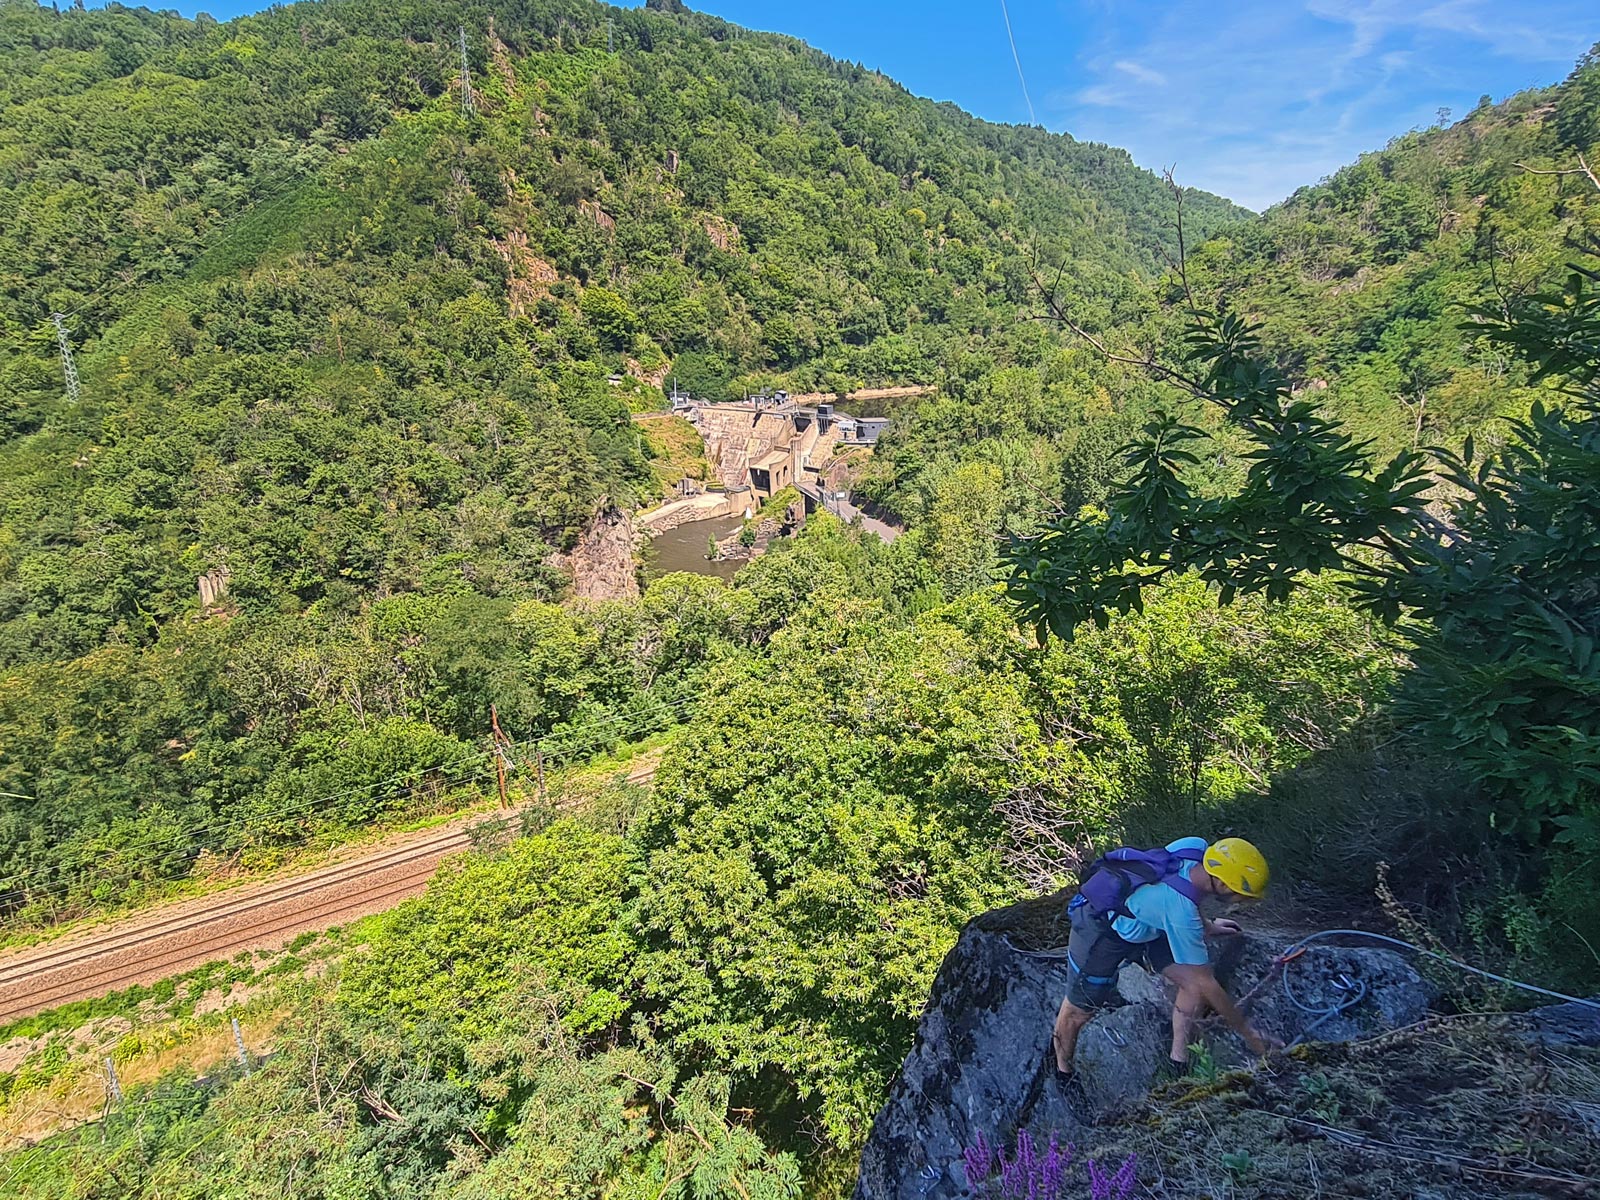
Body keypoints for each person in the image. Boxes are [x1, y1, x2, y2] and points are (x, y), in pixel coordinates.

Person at [1051, 836, 1283, 1084]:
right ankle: (1063, 1072)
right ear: (1224, 885)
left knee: (1192, 987)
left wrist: (1207, 925)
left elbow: (1178, 886)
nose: (1245, 902)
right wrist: (1249, 1034)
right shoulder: (1182, 913)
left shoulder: (1194, 847)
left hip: (1149, 923)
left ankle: (1178, 1064)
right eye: (1243, 896)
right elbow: (1207, 983)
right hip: (1103, 927)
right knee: (1078, 1012)